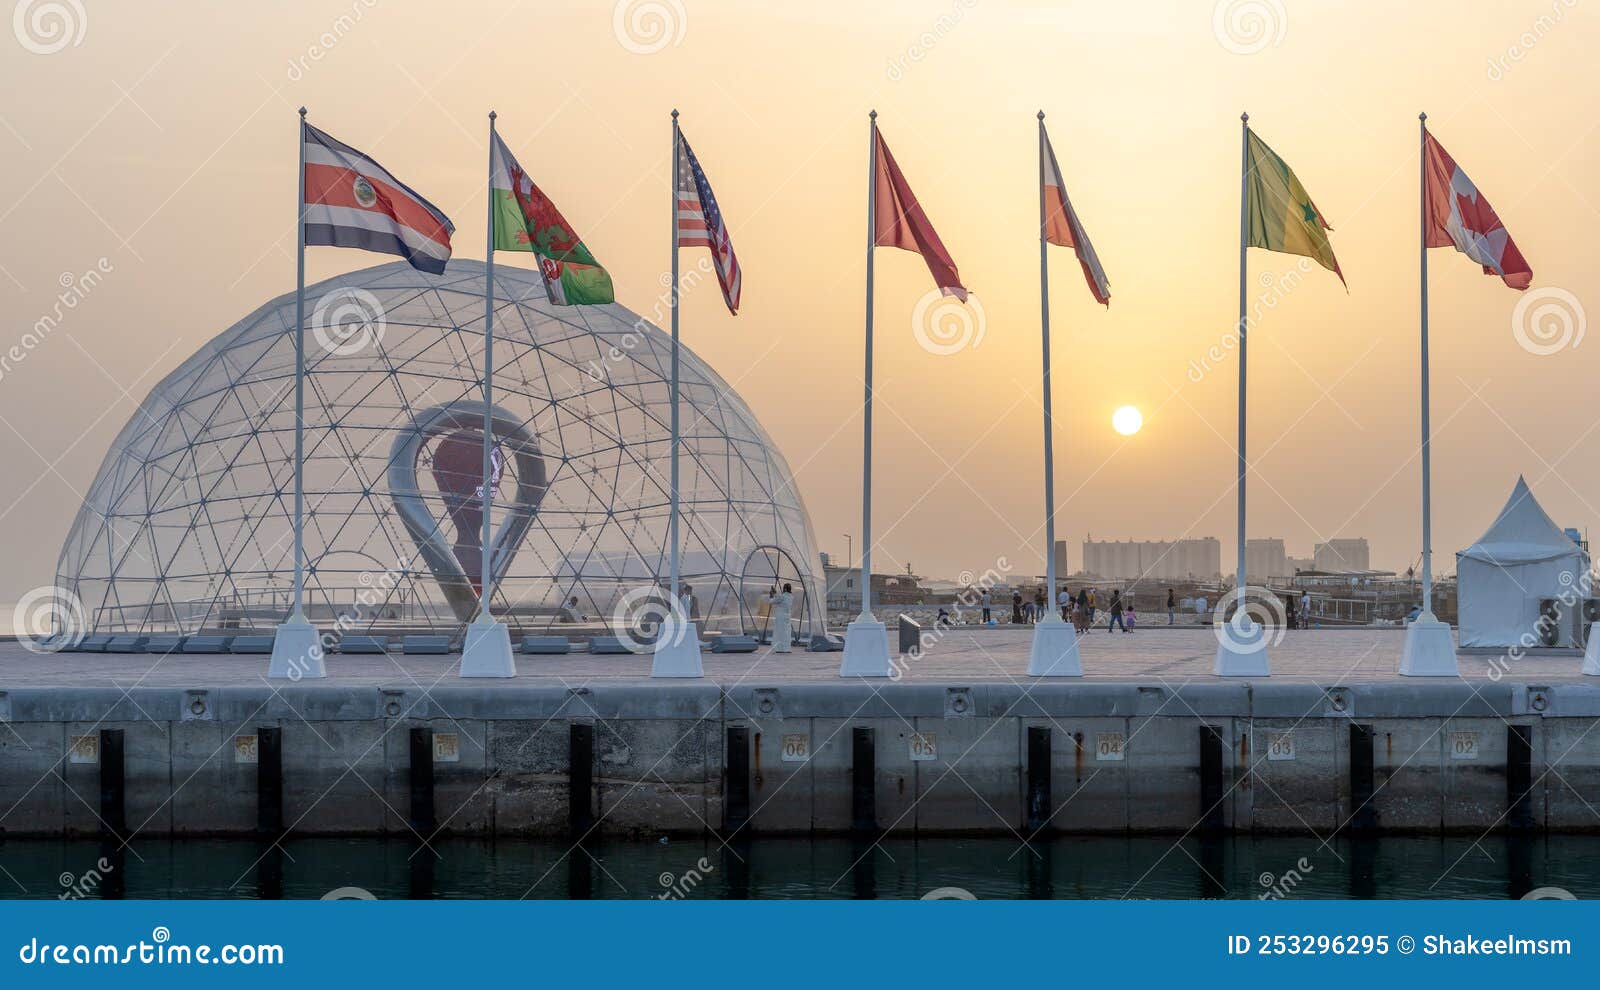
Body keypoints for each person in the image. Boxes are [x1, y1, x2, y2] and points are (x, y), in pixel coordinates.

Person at [762, 583, 795, 653]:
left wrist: (771, 595)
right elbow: (780, 597)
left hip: (781, 617)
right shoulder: (791, 597)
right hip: (787, 617)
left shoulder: (782, 596)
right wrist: (775, 593)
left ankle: (780, 648)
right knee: (787, 633)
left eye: (784, 588)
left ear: (785, 589)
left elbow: (772, 601)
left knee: (780, 632)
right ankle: (787, 648)